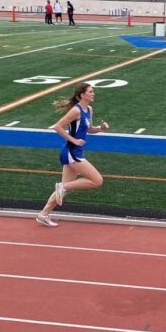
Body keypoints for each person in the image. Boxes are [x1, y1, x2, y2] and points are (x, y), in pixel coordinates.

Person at [36, 83, 109, 227]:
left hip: (75, 152)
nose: (93, 93)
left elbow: (89, 130)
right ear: (82, 95)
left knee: (64, 187)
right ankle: (63, 188)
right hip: (71, 152)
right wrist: (74, 139)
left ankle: (43, 215)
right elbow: (57, 126)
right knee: (97, 181)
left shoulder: (89, 109)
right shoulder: (76, 111)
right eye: (91, 91)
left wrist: (101, 128)